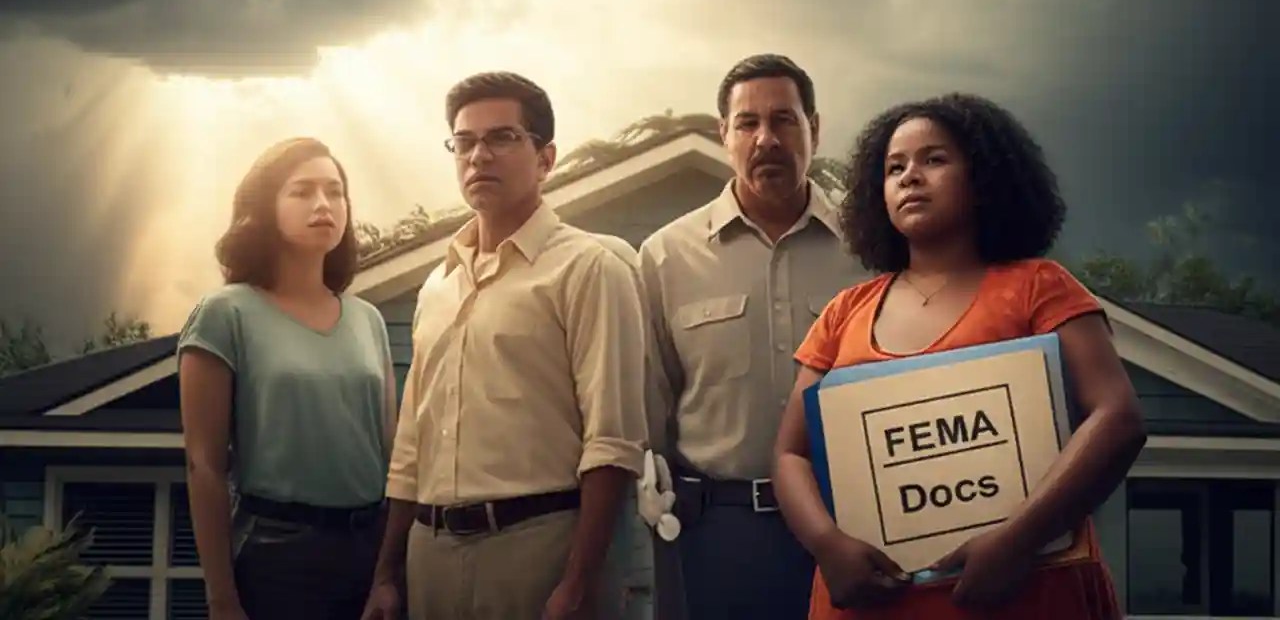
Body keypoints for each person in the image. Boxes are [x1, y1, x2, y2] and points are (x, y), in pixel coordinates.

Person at [772, 93, 1148, 619]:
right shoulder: (844, 313)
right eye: (894, 167)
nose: (910, 176)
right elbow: (791, 454)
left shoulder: (1039, 287)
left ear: (984, 177)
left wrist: (1018, 540)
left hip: (1026, 591)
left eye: (934, 159)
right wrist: (826, 545)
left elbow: (1118, 417)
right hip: (874, 601)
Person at [361, 72, 648, 620]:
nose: (479, 156)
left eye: (502, 138)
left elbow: (612, 441)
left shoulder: (587, 268)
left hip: (538, 548)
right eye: (464, 142)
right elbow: (410, 448)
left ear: (546, 158)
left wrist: (579, 583)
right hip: (431, 553)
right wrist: (386, 574)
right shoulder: (437, 287)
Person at [638, 53, 869, 618]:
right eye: (748, 123)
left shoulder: (871, 249)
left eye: (784, 120)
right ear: (724, 135)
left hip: (856, 522)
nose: (766, 138)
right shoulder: (665, 256)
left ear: (813, 129)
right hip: (719, 530)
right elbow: (651, 406)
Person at [178, 137, 398, 620]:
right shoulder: (225, 313)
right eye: (302, 191)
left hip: (368, 553)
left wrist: (387, 573)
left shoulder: (368, 320)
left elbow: (392, 459)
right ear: (264, 208)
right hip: (275, 554)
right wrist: (222, 598)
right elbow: (205, 466)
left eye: (335, 191)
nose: (323, 204)